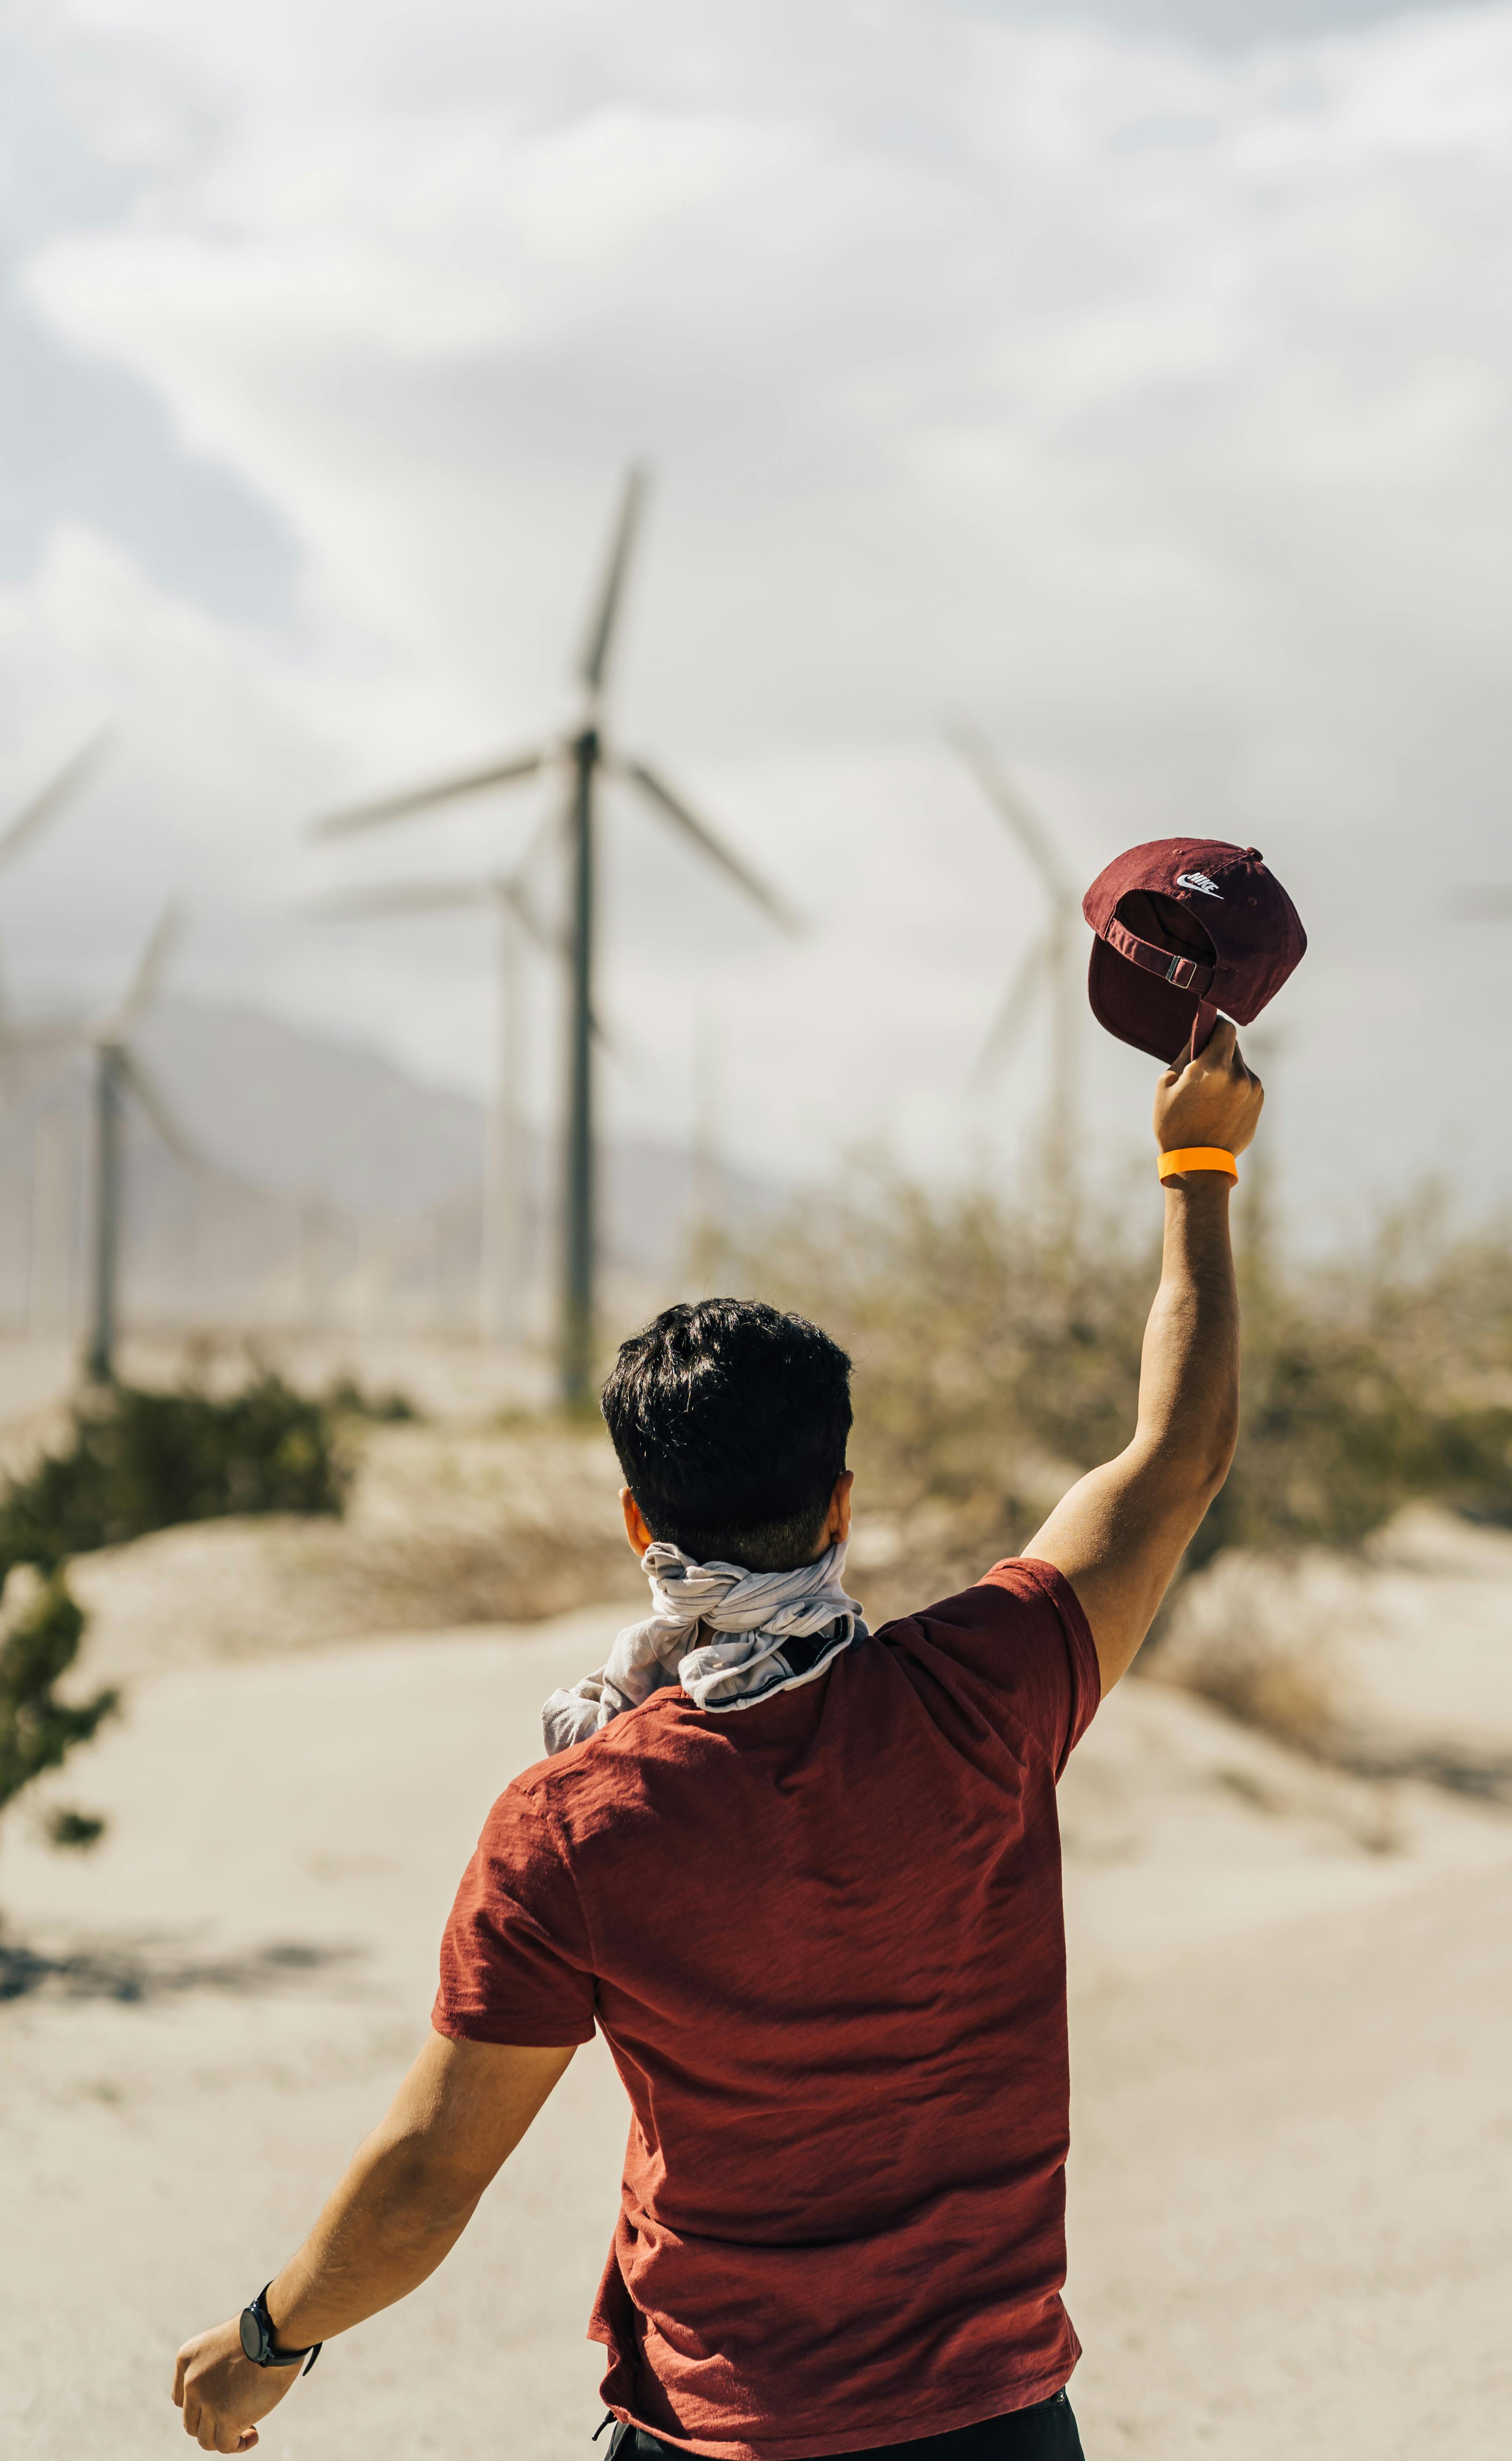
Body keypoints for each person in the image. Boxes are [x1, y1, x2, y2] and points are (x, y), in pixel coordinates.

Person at [172, 1018, 1262, 2458]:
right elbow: (1178, 1450)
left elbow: (436, 2168)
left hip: (725, 2429)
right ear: (840, 1505)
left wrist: (267, 2340)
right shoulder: (988, 1693)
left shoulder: (571, 1824)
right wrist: (1196, 1166)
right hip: (997, 2422)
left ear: (640, 1522)